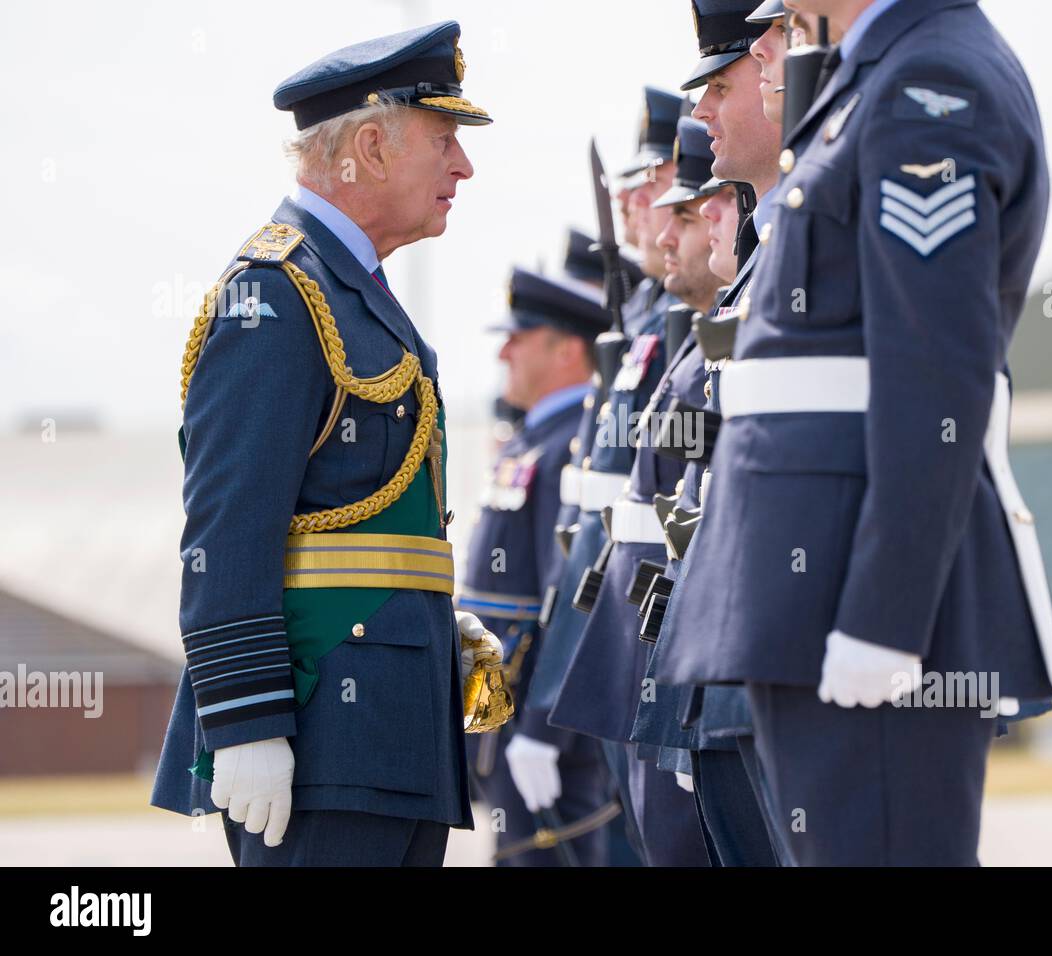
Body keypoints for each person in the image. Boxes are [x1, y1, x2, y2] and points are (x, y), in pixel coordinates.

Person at [659, 0, 1052, 865]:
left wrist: (886, 615)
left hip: (856, 590)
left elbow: (936, 375)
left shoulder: (931, 80)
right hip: (810, 584)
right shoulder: (879, 74)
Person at [149, 21, 505, 867]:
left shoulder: (351, 292)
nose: (463, 167)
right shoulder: (276, 295)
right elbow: (228, 527)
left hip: (388, 729)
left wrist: (422, 618)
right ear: (371, 147)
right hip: (317, 734)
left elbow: (353, 522)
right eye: (445, 140)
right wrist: (244, 720)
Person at [628, 0, 791, 867]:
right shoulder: (764, 267)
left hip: (775, 639)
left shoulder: (807, 237)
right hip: (716, 638)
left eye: (721, 85)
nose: (703, 111)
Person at [548, 117, 730, 866]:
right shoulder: (666, 326)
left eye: (682, 209)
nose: (649, 223)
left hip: (685, 629)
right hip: (639, 622)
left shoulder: (699, 323)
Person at [514, 86, 686, 863]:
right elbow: (590, 538)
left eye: (648, 187)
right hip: (619, 646)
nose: (629, 208)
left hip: (660, 652)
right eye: (628, 191)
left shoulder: (672, 321)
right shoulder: (647, 322)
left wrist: (548, 706)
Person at [460, 268, 617, 866]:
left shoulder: (570, 444)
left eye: (520, 337)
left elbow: (574, 591)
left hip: (542, 715)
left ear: (567, 349)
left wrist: (545, 730)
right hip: (505, 705)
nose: (504, 351)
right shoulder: (535, 439)